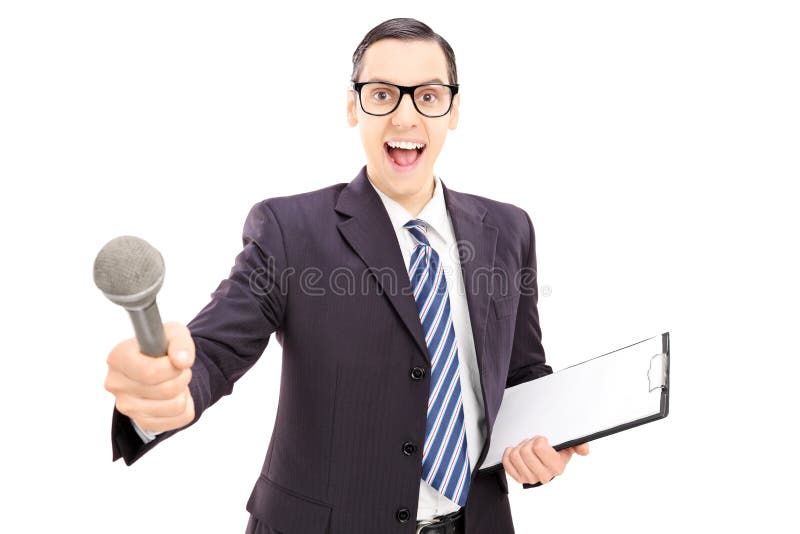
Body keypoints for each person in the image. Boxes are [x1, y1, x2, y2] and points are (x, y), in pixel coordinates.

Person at [104, 17, 589, 534]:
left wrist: (549, 440)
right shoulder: (289, 230)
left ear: (454, 109)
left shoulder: (508, 229)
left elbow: (522, 373)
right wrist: (161, 398)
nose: (405, 116)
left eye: (427, 96)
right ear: (353, 106)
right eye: (382, 94)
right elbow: (213, 353)